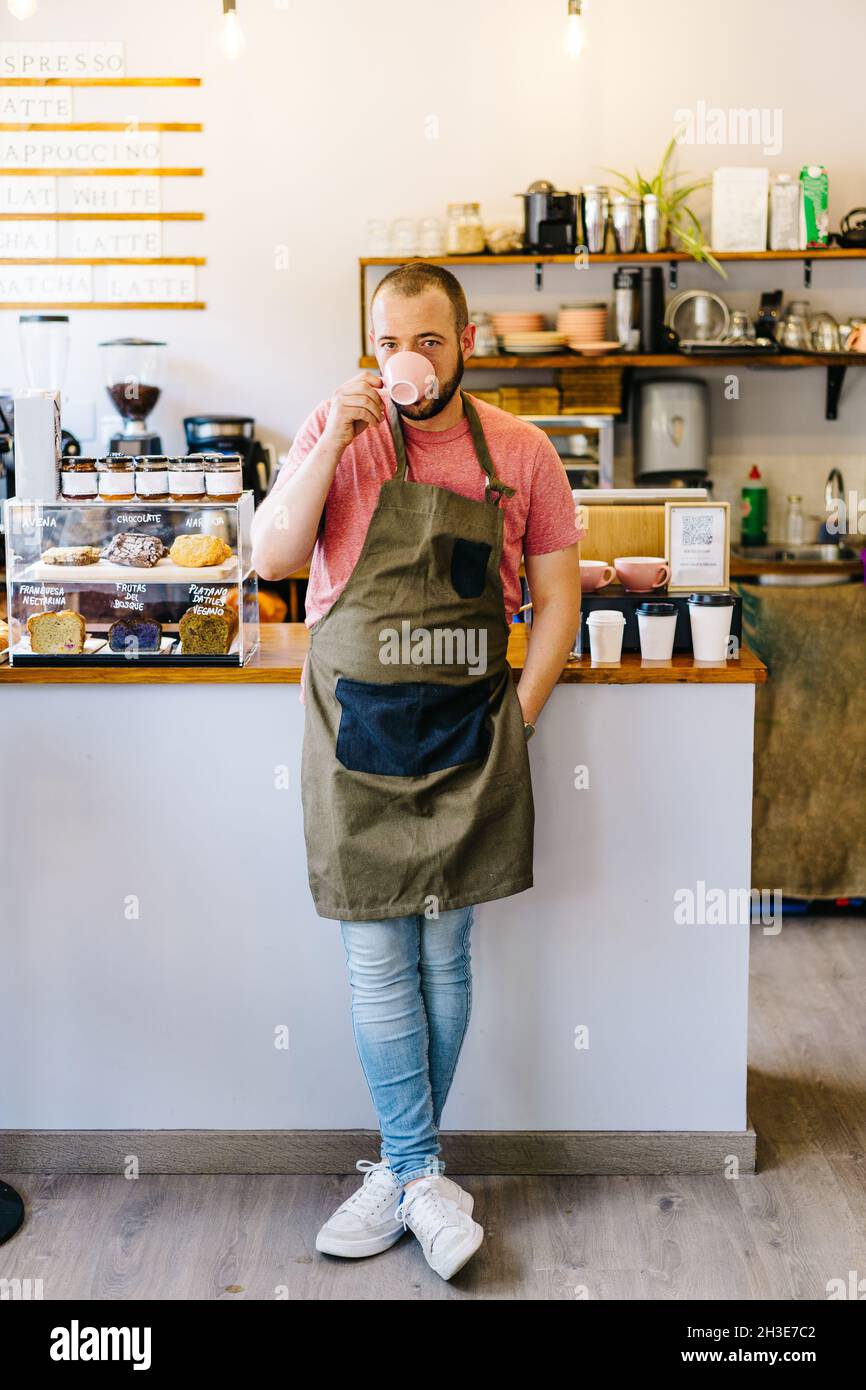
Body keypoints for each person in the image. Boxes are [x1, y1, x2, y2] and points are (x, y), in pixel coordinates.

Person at [252, 263, 582, 1281]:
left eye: (429, 341)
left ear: (465, 341)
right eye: (390, 341)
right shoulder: (337, 434)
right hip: (358, 742)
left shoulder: (520, 452)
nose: (409, 360)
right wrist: (332, 439)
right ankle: (418, 1172)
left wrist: (513, 727)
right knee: (374, 962)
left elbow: (559, 601)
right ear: (373, 346)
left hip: (466, 746)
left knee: (445, 957)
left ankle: (403, 1174)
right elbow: (271, 556)